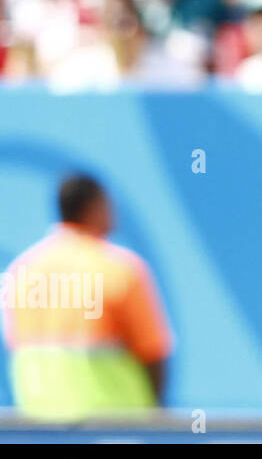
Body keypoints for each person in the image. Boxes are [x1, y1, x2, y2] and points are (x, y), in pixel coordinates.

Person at [1, 174, 172, 419]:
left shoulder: (20, 271)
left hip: (38, 427)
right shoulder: (120, 269)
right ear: (94, 208)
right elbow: (154, 354)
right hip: (115, 428)